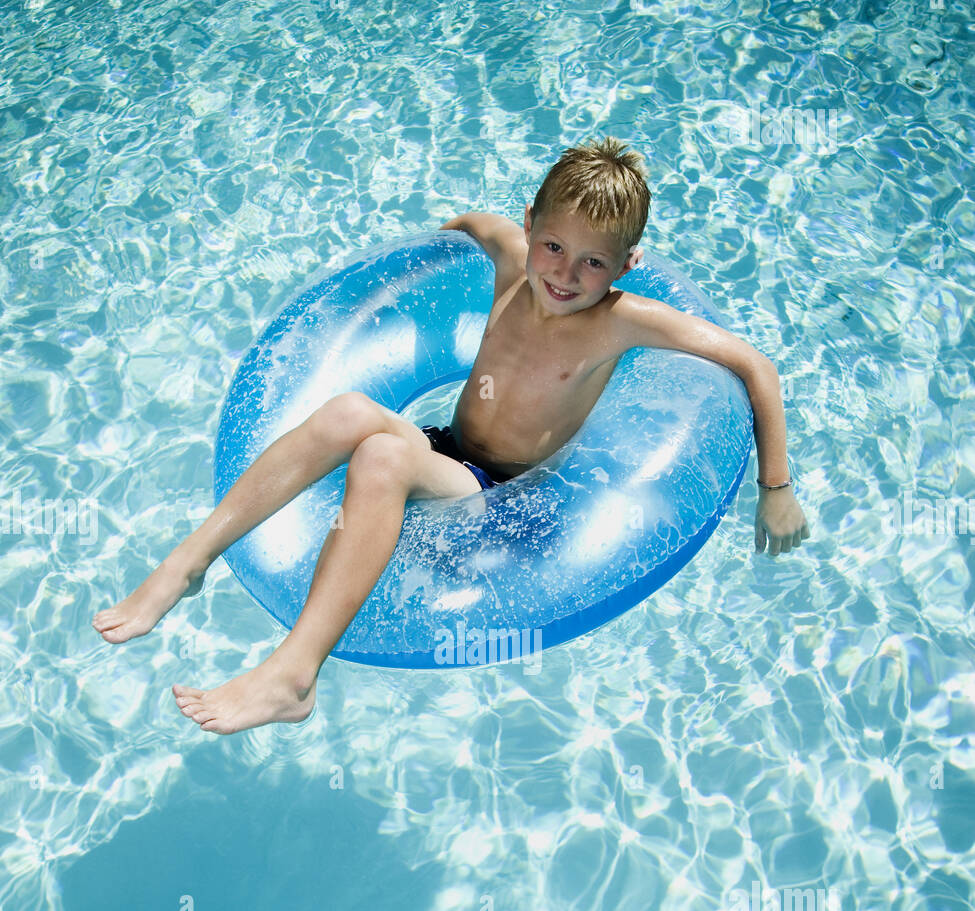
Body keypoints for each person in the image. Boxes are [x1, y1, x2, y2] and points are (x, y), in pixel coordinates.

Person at [92, 136, 809, 735]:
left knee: (377, 447)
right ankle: (187, 563)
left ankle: (294, 674)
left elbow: (754, 365)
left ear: (626, 265)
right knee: (347, 413)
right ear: (529, 225)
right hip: (446, 449)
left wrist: (774, 489)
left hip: (504, 494)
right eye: (552, 246)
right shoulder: (507, 261)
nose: (564, 274)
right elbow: (470, 221)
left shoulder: (620, 321)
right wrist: (435, 241)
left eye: (593, 261)